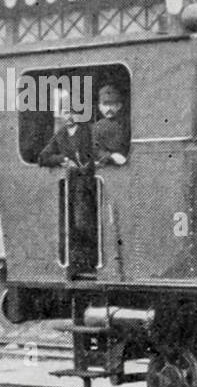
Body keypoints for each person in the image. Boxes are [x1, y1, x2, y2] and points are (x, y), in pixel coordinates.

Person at [37, 88, 98, 275]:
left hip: (87, 184)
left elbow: (94, 155)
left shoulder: (88, 132)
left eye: (74, 111)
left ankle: (89, 260)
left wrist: (83, 166)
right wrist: (62, 160)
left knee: (84, 223)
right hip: (70, 186)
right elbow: (43, 157)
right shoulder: (61, 135)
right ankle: (78, 261)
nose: (70, 116)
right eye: (66, 112)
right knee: (73, 224)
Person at [92, 83, 130, 167]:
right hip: (106, 166)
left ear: (119, 106)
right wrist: (111, 157)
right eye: (105, 105)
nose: (109, 109)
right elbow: (94, 149)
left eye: (112, 104)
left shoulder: (127, 125)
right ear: (100, 107)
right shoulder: (97, 127)